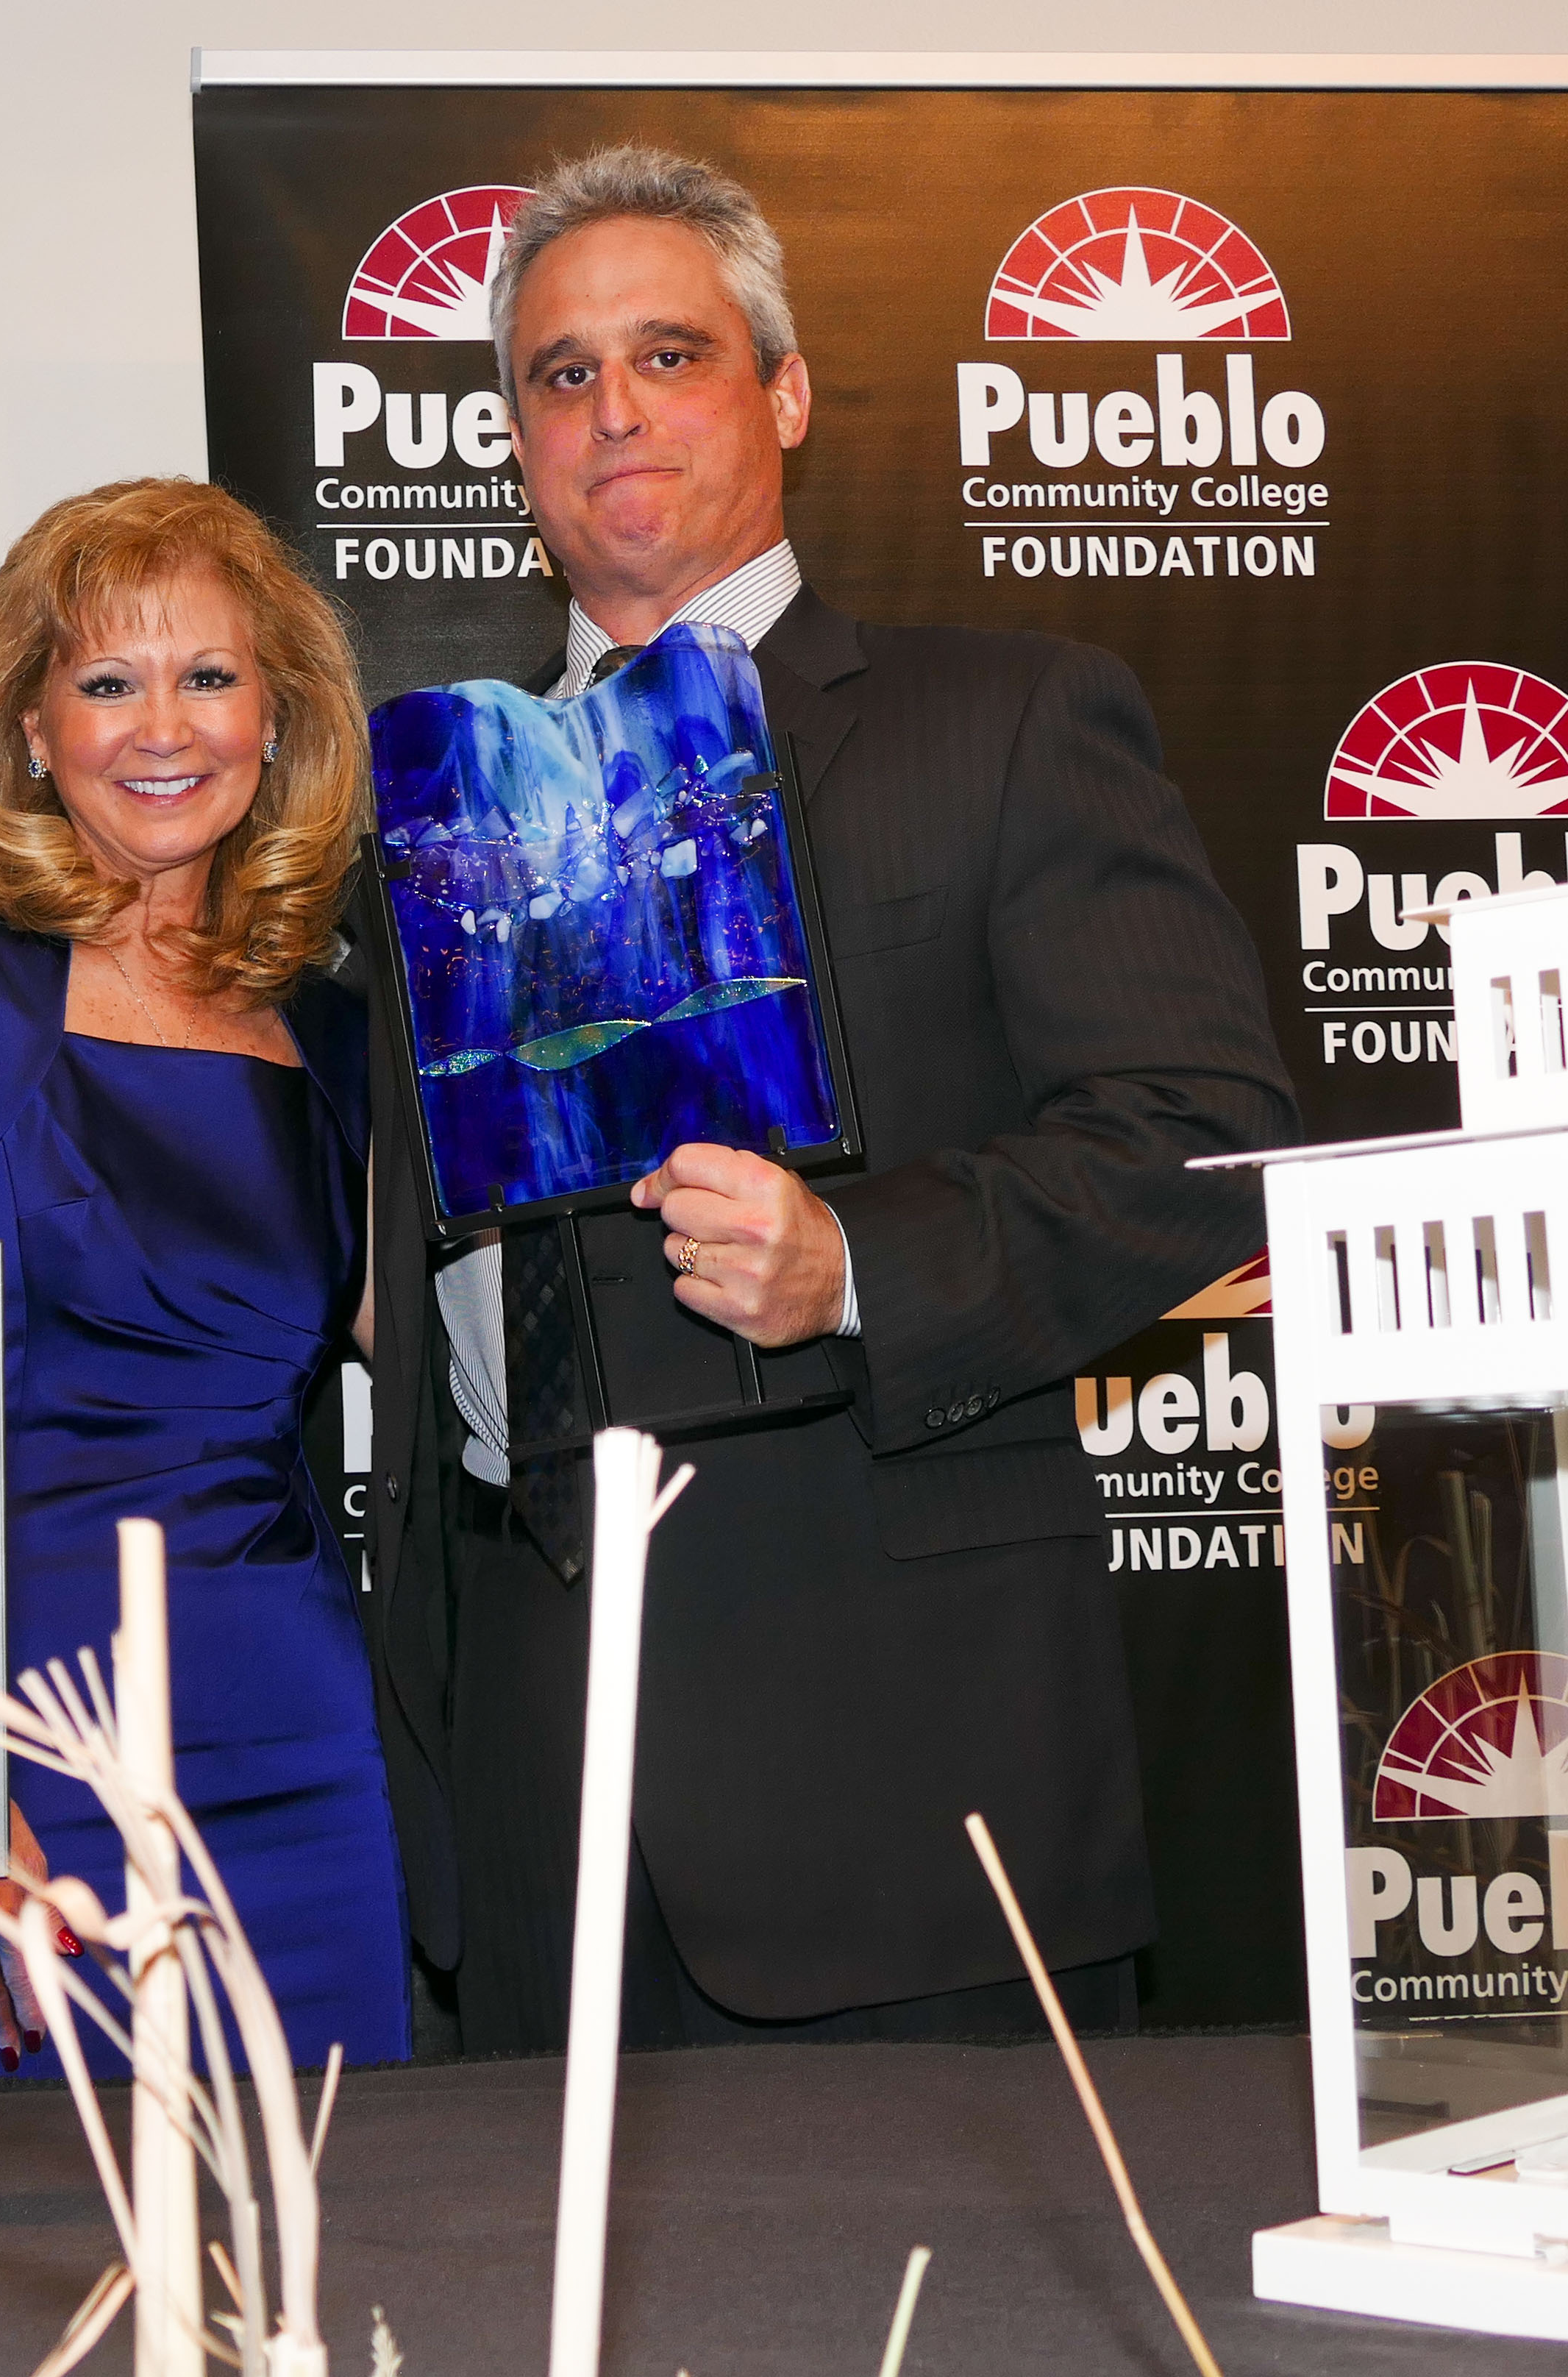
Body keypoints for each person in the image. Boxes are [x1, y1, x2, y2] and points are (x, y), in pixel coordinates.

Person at [360, 146, 1301, 2056]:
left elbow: (1202, 1133)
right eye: (559, 373)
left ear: (781, 394)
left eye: (669, 354)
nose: (612, 408)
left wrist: (854, 1267)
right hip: (535, 1815)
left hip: (902, 1790)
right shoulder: (432, 811)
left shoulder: (1006, 718)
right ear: (513, 441)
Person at [0, 477, 405, 2076]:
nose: (164, 726)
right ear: (31, 728)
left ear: (274, 721)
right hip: (18, 1756)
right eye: (108, 680)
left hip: (303, 1747)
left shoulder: (340, 1035)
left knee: (332, 2197)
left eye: (208, 676)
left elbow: (448, 1364)